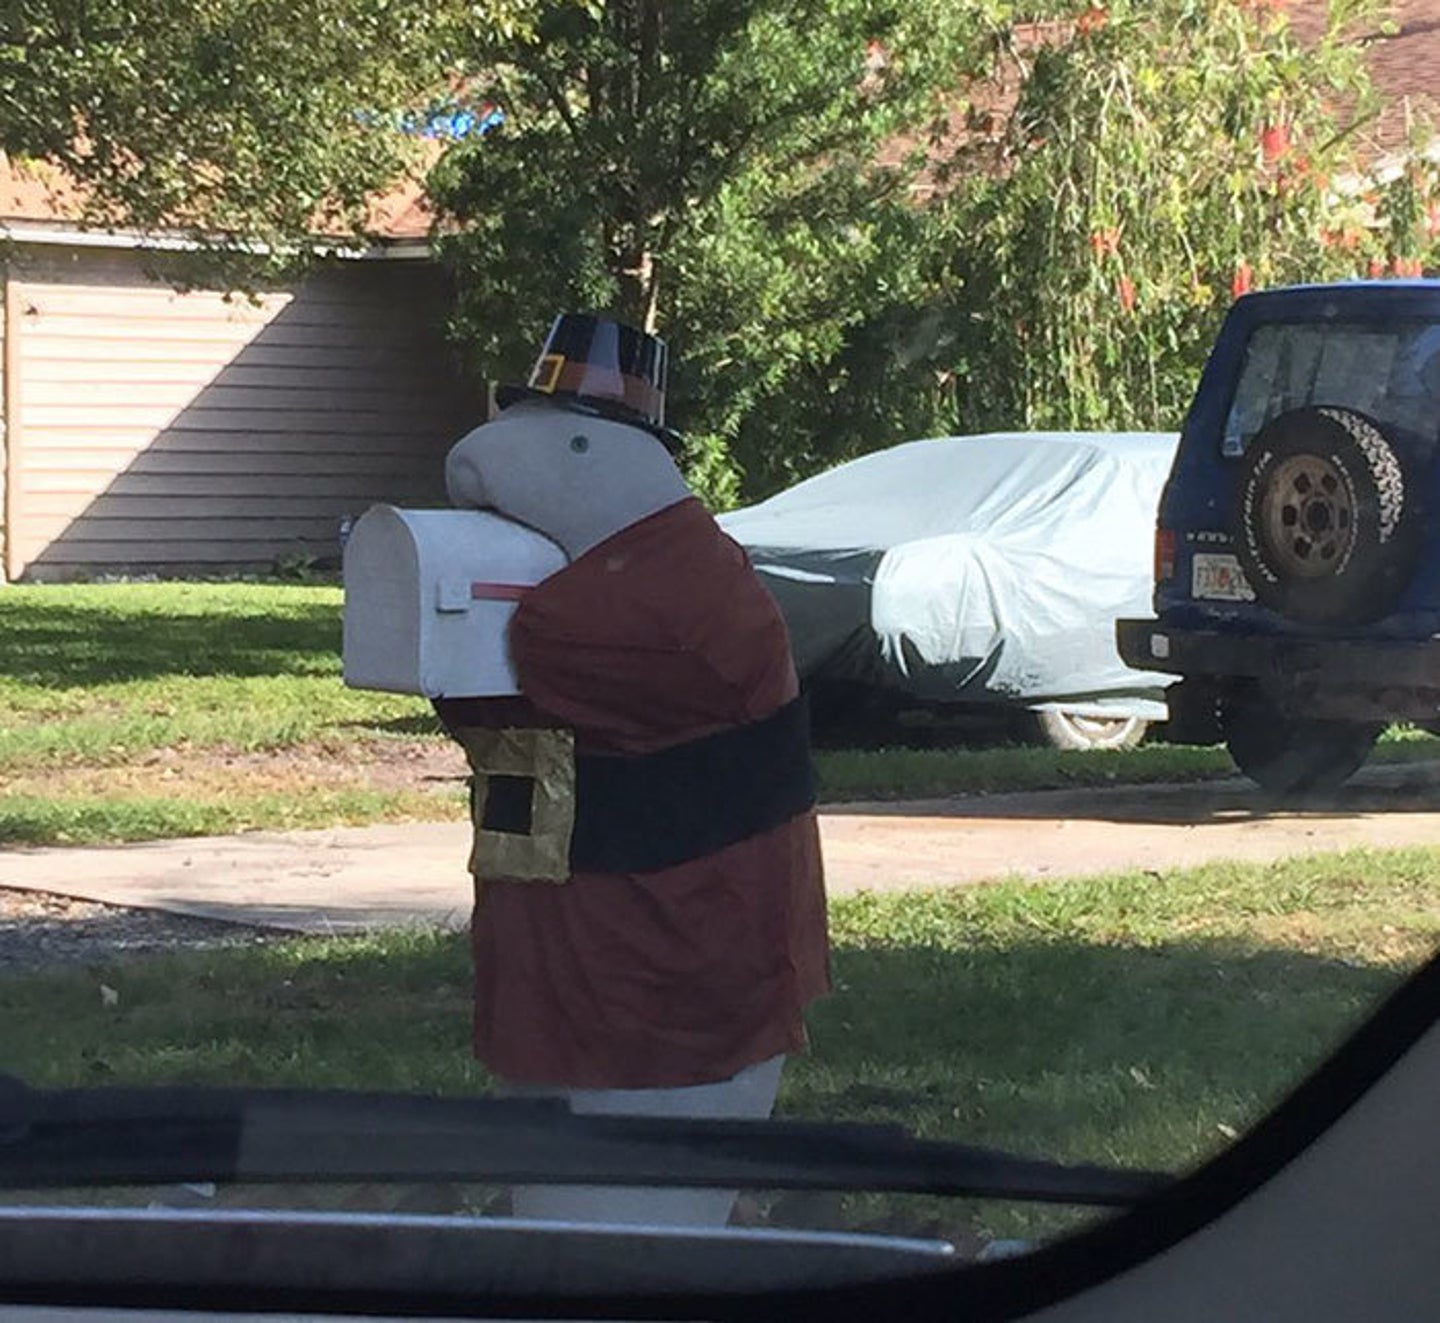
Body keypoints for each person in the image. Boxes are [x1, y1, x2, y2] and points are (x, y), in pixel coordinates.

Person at [431, 312, 831, 1225]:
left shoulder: (686, 593)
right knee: (554, 1172)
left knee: (633, 1202)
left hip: (675, 951)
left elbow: (554, 652)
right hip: (553, 932)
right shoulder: (571, 571)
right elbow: (482, 699)